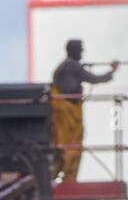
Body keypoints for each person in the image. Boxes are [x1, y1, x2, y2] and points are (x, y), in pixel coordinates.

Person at [50, 39, 117, 183]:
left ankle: (57, 173)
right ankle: (68, 177)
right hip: (68, 111)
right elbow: (94, 79)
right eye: (80, 49)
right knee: (70, 145)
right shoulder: (72, 66)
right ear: (73, 50)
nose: (82, 52)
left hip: (63, 110)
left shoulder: (66, 66)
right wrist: (112, 71)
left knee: (63, 144)